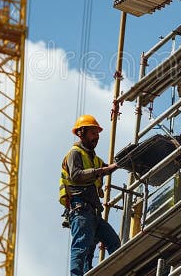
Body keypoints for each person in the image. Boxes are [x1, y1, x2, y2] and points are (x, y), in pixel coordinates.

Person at [59, 114, 120, 276]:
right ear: (81, 133)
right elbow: (76, 175)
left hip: (93, 213)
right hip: (80, 210)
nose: (96, 137)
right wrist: (102, 171)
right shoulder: (74, 153)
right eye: (93, 133)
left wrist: (122, 162)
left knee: (113, 242)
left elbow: (107, 168)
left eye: (97, 134)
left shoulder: (93, 158)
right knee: (81, 247)